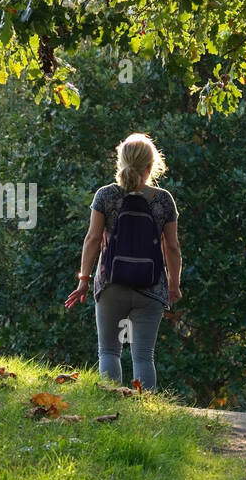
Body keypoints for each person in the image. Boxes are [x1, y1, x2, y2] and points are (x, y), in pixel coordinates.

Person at [65, 133, 182, 391]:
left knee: (109, 351)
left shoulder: (105, 195)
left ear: (120, 163)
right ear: (151, 167)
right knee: (143, 356)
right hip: (151, 288)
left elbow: (93, 238)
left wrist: (83, 280)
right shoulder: (163, 199)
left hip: (111, 284)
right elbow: (172, 247)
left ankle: (111, 405)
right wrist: (174, 285)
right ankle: (145, 410)